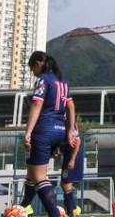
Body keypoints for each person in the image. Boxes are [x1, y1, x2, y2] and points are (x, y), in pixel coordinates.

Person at [21, 51, 72, 217]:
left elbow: (36, 104)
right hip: (60, 130)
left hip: (44, 129)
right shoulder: (62, 81)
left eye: (32, 69)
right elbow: (71, 107)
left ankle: (54, 213)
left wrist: (28, 132)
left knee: (39, 177)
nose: (33, 73)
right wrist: (70, 131)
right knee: (32, 171)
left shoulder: (43, 79)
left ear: (38, 63)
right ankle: (24, 206)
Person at [59, 124, 84, 217]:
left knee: (66, 184)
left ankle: (72, 211)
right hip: (67, 156)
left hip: (73, 157)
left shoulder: (69, 124)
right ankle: (72, 209)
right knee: (64, 184)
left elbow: (77, 141)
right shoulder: (60, 124)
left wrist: (72, 159)